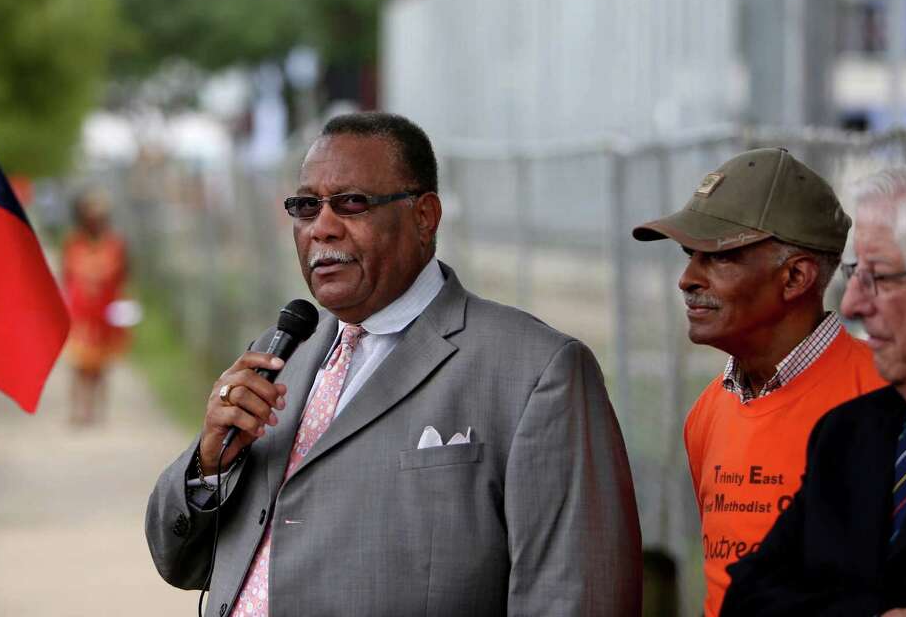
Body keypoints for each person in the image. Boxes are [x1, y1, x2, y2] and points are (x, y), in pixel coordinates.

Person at [145, 112, 642, 616]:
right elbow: (178, 561)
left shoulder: (536, 372)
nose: (322, 228)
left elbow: (574, 595)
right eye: (306, 206)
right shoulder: (281, 358)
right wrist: (208, 466)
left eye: (352, 203)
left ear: (424, 216)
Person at [631, 147, 884, 617]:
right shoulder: (707, 414)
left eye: (718, 257)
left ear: (795, 278)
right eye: (691, 255)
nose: (687, 278)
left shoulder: (890, 397)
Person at [722, 161, 906, 615]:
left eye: (878, 276)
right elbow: (746, 600)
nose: (853, 303)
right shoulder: (849, 432)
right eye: (855, 275)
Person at [61, 190, 130, 425]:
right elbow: (67, 276)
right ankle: (79, 410)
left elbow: (123, 277)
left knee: (100, 366)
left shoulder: (115, 245)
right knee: (79, 365)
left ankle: (98, 411)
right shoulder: (73, 244)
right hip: (81, 313)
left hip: (104, 313)